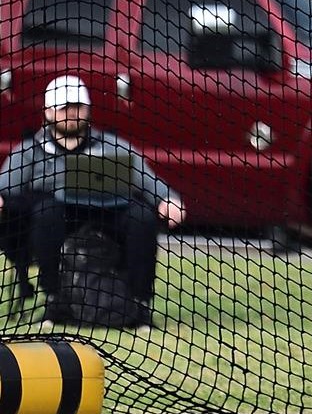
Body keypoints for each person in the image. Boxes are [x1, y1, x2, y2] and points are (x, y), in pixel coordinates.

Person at [0, 75, 185, 328]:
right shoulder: (29, 151)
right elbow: (6, 189)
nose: (72, 114)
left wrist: (169, 200)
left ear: (88, 110)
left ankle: (139, 306)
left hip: (108, 215)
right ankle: (56, 301)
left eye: (78, 107)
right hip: (59, 220)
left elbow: (148, 181)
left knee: (141, 216)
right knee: (45, 211)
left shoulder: (113, 146)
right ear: (49, 112)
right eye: (65, 108)